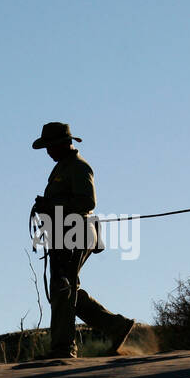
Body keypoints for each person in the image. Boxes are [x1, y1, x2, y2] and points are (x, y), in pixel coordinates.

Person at [30, 122, 136, 359]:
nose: (48, 151)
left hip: (77, 232)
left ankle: (63, 348)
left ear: (63, 144)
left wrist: (51, 205)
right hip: (65, 234)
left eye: (50, 146)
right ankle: (115, 326)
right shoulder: (61, 168)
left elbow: (87, 202)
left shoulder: (78, 167)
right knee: (67, 288)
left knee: (63, 288)